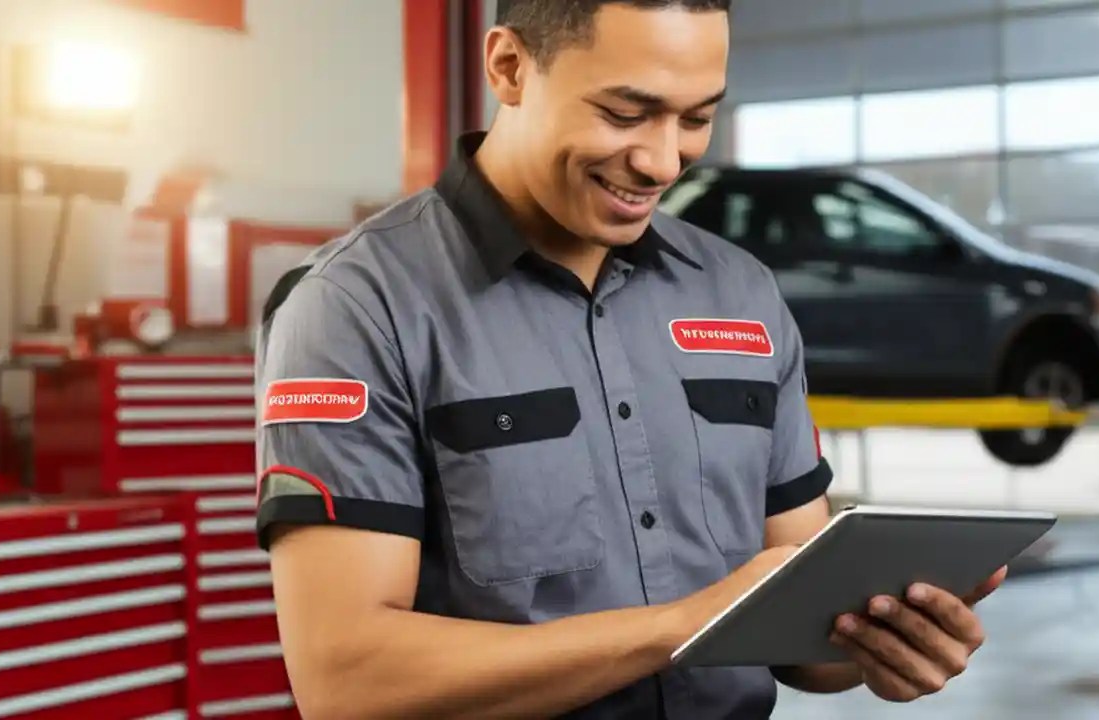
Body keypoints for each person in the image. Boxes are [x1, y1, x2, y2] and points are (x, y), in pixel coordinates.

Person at [254, 1, 1005, 717]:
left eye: (698, 118)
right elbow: (347, 679)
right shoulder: (356, 306)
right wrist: (682, 625)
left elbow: (802, 635)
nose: (661, 160)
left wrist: (886, 641)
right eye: (624, 113)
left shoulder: (739, 292)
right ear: (510, 67)